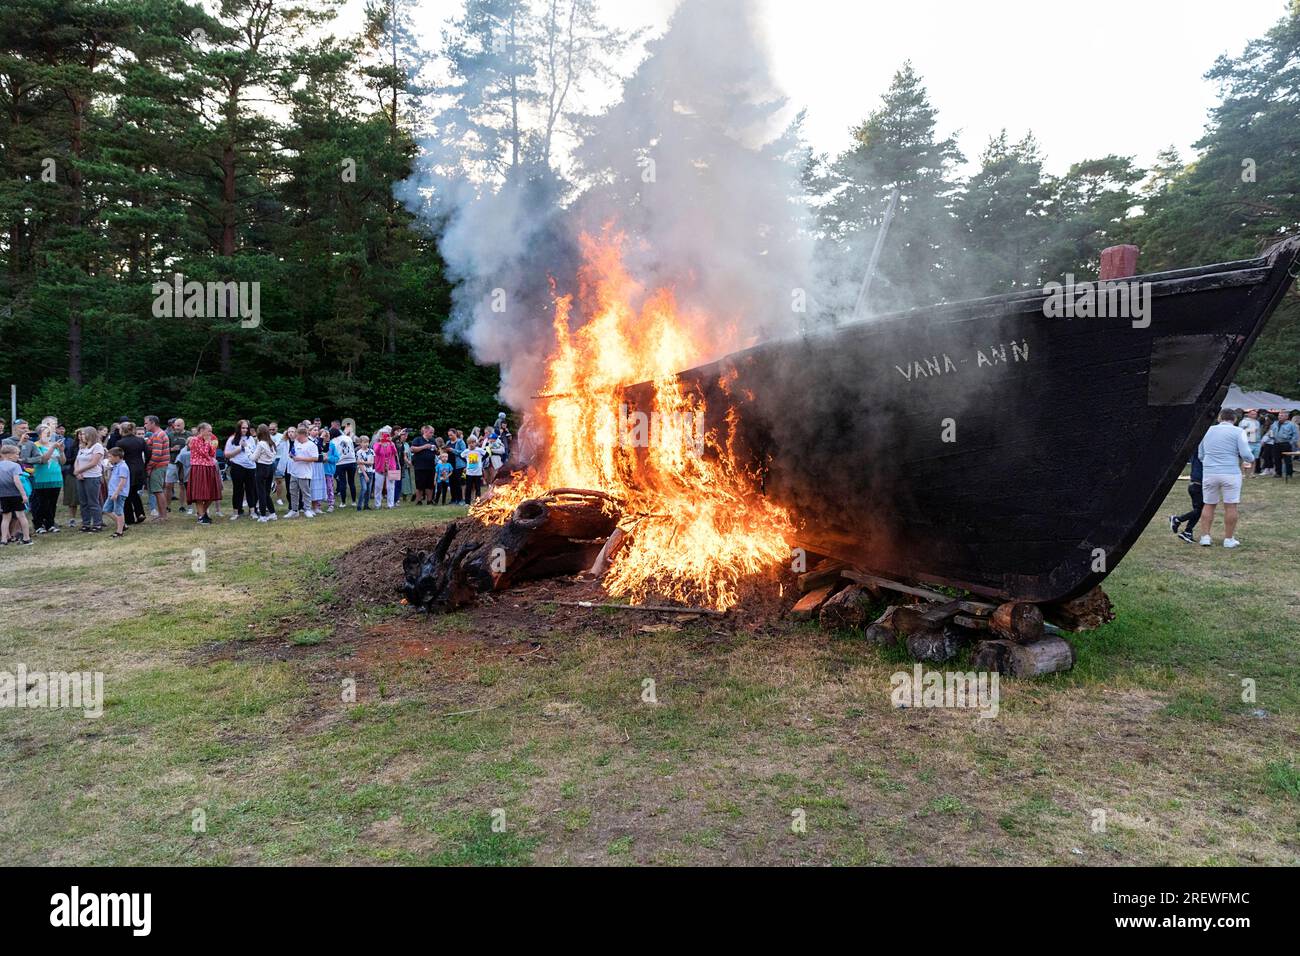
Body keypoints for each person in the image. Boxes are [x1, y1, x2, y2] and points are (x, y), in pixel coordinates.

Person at [1197, 408, 1254, 549]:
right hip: (1230, 472)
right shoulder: (1238, 431)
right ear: (1234, 419)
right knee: (1231, 505)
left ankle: (1205, 536)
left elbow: (1200, 454)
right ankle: (1228, 539)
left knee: (1208, 504)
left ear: (1219, 418)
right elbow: (1246, 454)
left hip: (1210, 472)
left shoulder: (1207, 430)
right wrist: (1251, 459)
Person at [29, 425, 64, 534]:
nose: (48, 436)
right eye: (46, 433)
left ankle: (50, 523)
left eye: (49, 433)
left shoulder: (54, 445)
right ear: (39, 434)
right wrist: (52, 448)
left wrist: (61, 451)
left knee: (52, 503)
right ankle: (39, 524)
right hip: (41, 479)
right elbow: (43, 460)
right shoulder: (35, 446)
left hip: (55, 478)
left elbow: (62, 462)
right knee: (42, 503)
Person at [113, 422, 148, 525]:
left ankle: (129, 518)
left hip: (127, 469)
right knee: (134, 492)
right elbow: (148, 453)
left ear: (122, 430)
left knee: (126, 494)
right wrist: (144, 465)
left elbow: (118, 456)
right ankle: (140, 513)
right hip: (139, 468)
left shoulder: (120, 443)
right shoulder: (140, 440)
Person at [186, 423, 222, 525]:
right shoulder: (194, 440)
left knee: (211, 493)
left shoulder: (209, 440)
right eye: (209, 431)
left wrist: (209, 442)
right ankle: (202, 516)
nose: (211, 433)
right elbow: (204, 452)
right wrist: (207, 442)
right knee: (200, 494)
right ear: (201, 430)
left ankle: (201, 513)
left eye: (211, 431)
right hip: (199, 468)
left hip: (209, 467)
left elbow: (211, 453)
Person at [72, 426, 105, 532]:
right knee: (83, 502)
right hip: (81, 477)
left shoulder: (97, 446)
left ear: (90, 435)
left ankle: (97, 523)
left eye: (83, 434)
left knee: (93, 501)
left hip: (93, 477)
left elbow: (94, 462)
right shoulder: (82, 447)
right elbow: (77, 460)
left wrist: (79, 470)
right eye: (80, 434)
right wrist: (77, 471)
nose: (81, 436)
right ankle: (86, 523)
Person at [223, 420, 257, 519]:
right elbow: (227, 454)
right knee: (238, 490)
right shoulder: (232, 439)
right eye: (243, 428)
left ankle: (252, 511)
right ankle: (236, 512)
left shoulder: (251, 438)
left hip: (250, 467)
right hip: (237, 466)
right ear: (239, 428)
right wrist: (239, 448)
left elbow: (254, 452)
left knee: (251, 489)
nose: (245, 430)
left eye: (246, 428)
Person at [0, 443, 32, 545]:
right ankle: (26, 538)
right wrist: (23, 494)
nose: (18, 456)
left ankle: (4, 539)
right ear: (9, 455)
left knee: (5, 518)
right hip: (15, 494)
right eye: (17, 454)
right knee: (21, 516)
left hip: (3, 495)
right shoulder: (15, 466)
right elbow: (17, 481)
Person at [1169, 448, 1203, 543]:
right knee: (1199, 510)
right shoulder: (1200, 451)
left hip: (1195, 484)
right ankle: (1177, 519)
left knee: (1198, 510)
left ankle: (1188, 532)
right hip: (1198, 484)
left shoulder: (1196, 451)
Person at [287, 427, 319, 518]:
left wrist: (300, 459)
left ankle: (307, 509)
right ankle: (294, 510)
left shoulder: (311, 445)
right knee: (293, 492)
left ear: (302, 435)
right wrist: (291, 455)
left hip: (304, 473)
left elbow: (315, 458)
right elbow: (293, 454)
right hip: (294, 472)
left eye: (297, 435)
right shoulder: (297, 444)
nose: (296, 437)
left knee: (306, 492)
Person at [143, 415, 170, 520]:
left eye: (146, 423)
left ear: (153, 423)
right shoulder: (159, 434)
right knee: (158, 491)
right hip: (160, 466)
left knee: (158, 491)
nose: (145, 425)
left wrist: (149, 467)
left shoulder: (158, 435)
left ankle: (163, 516)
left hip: (157, 467)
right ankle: (161, 515)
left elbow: (156, 455)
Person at [103, 446, 131, 538]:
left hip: (119, 493)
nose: (108, 459)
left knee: (119, 511)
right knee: (106, 509)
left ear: (117, 457)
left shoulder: (123, 467)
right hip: (112, 492)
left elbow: (122, 481)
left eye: (110, 457)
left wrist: (116, 493)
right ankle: (122, 524)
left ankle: (119, 531)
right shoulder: (115, 466)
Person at [252, 424, 278, 521]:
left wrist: (247, 449)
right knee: (266, 493)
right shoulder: (271, 443)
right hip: (270, 468)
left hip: (261, 468)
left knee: (261, 493)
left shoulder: (261, 443)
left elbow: (253, 458)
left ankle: (263, 516)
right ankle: (272, 513)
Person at [373, 427, 400, 509]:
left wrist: (391, 443)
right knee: (378, 487)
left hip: (391, 467)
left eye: (386, 435)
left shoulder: (391, 444)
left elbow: (395, 452)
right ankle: (377, 504)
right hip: (379, 468)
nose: (384, 437)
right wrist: (381, 443)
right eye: (382, 435)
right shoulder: (376, 444)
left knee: (391, 487)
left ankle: (390, 504)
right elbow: (376, 451)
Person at [410, 425, 437, 505]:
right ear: (425, 431)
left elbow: (437, 451)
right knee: (419, 484)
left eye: (432, 432)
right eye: (431, 432)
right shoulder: (417, 439)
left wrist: (436, 450)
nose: (432, 434)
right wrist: (424, 447)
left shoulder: (433, 440)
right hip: (420, 466)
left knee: (430, 484)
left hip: (431, 465)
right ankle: (418, 500)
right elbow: (413, 449)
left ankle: (429, 500)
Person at [1266, 410, 1298, 479]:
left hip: (1286, 444)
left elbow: (1295, 435)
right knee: (1276, 459)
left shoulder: (1291, 424)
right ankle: (1278, 473)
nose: (1279, 417)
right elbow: (1270, 431)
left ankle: (1289, 474)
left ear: (1286, 417)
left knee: (1287, 460)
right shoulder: (1275, 423)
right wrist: (1270, 435)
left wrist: (1290, 443)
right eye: (1279, 415)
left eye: (1282, 415)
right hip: (1276, 443)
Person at [59, 424, 79, 527]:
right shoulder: (73, 444)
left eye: (63, 428)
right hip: (71, 472)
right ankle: (72, 518)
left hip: (83, 472)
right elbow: (69, 459)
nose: (81, 436)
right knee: (72, 497)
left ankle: (88, 518)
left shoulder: (70, 441)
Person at [331, 425, 357, 507]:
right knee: (352, 482)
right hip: (351, 461)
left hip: (340, 463)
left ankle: (343, 502)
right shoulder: (348, 438)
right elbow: (352, 448)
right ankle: (353, 501)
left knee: (343, 482)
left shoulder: (333, 441)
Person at [355, 434, 375, 511]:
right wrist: (365, 474)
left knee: (369, 490)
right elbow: (359, 464)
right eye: (364, 442)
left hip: (370, 472)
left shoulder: (371, 451)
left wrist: (363, 462)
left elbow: (372, 463)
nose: (366, 444)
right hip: (363, 473)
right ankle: (359, 506)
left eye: (367, 442)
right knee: (364, 489)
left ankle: (366, 506)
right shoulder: (359, 452)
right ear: (360, 443)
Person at [463, 437, 484, 505]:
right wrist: (467, 462)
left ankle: (478, 502)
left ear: (475, 443)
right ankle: (467, 502)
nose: (471, 444)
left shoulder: (479, 450)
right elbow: (461, 456)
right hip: (469, 473)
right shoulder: (466, 451)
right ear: (468, 444)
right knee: (468, 487)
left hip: (478, 473)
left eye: (473, 443)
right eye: (469, 443)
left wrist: (480, 461)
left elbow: (487, 454)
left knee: (478, 488)